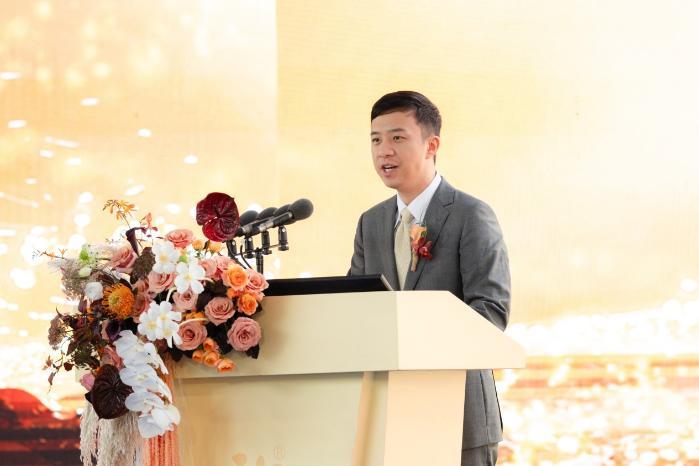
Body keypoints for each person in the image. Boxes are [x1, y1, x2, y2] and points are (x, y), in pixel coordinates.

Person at [349, 91, 511, 465]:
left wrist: (416, 336)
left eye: (397, 137)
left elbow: (490, 312)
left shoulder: (471, 215)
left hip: (459, 414)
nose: (384, 151)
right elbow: (355, 306)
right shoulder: (371, 223)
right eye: (375, 140)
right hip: (391, 417)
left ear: (431, 145)